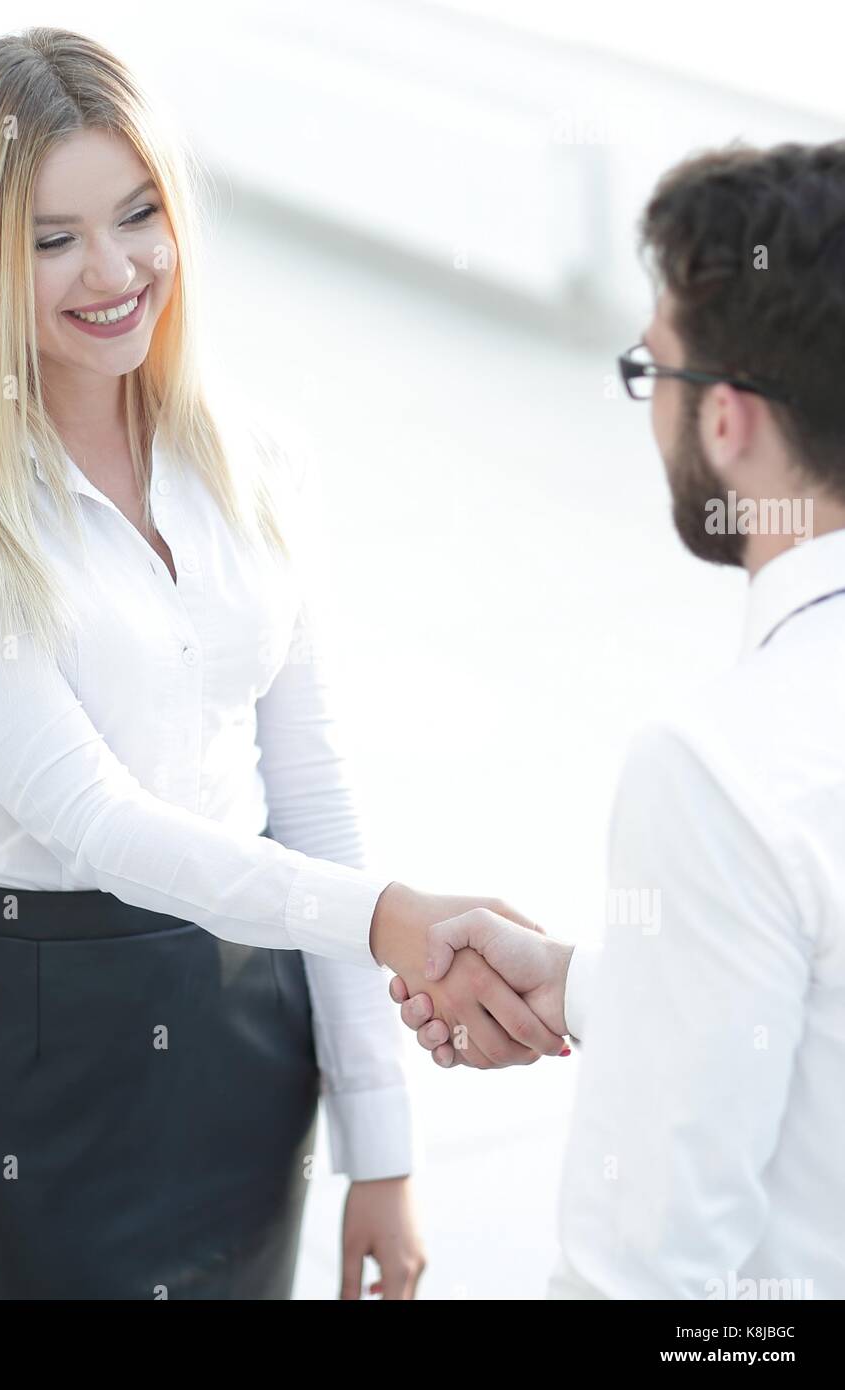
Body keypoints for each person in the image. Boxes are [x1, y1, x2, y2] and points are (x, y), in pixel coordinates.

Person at [0, 26, 565, 1302]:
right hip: (27, 1048)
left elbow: (312, 786)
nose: (114, 270)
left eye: (137, 212)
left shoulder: (254, 456)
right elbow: (92, 819)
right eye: (49, 237)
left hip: (243, 1026)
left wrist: (380, 1148)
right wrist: (396, 918)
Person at [390, 139, 845, 1299]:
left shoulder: (717, 771)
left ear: (730, 420)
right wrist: (606, 985)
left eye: (658, 376)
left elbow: (640, 1274)